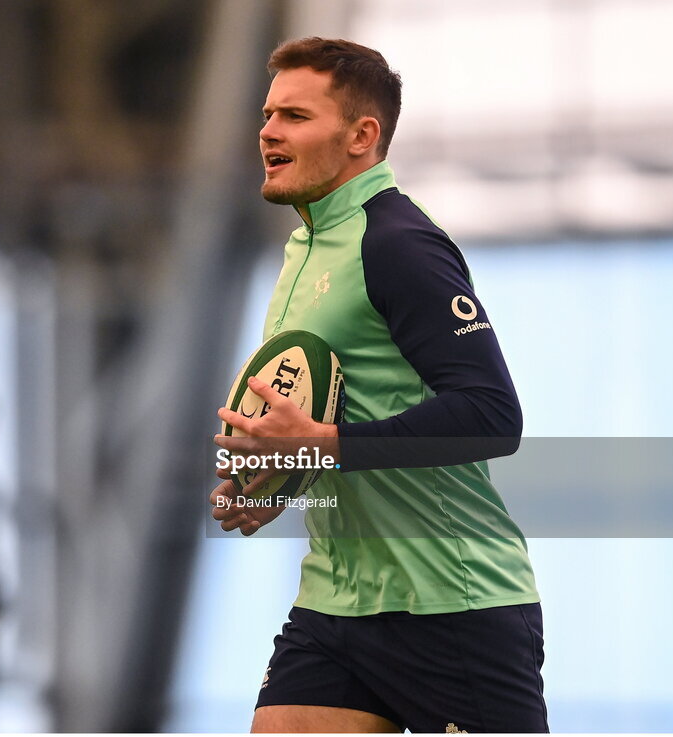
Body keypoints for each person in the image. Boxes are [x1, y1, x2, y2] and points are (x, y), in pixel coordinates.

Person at [210, 38, 547, 733]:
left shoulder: (397, 243)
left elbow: (492, 415)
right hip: (335, 600)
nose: (268, 130)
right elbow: (334, 412)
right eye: (268, 114)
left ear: (363, 136)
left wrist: (324, 444)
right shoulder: (303, 248)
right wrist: (278, 473)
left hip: (453, 603)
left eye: (295, 116)